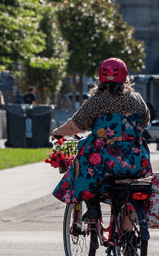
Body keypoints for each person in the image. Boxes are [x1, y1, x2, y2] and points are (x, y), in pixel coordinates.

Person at [51, 58, 151, 222]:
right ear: (125, 78)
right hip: (135, 162)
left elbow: (76, 126)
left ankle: (93, 209)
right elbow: (145, 123)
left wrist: (58, 131)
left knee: (82, 167)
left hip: (104, 163)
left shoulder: (96, 102)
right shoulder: (137, 99)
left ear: (100, 79)